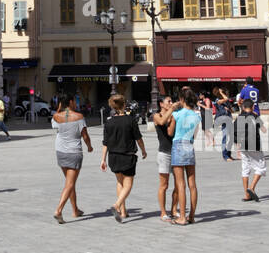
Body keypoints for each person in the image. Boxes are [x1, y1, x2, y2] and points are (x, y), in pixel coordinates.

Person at [100, 93, 145, 222]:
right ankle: (117, 205)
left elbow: (105, 143)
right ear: (124, 105)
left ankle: (123, 211)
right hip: (127, 156)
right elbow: (138, 138)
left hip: (113, 156)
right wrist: (143, 150)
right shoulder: (130, 120)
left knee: (120, 182)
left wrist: (103, 159)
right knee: (128, 184)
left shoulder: (109, 122)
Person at [52, 96, 92, 222]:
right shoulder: (79, 117)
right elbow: (85, 135)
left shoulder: (56, 117)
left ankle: (75, 210)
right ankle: (58, 210)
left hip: (60, 151)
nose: (76, 103)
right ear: (70, 102)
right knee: (69, 183)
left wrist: (58, 109)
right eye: (75, 101)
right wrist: (89, 146)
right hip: (74, 152)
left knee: (70, 183)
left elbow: (55, 125)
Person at [171, 87, 202, 225]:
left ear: (182, 99)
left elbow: (170, 132)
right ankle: (192, 216)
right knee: (192, 184)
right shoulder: (196, 116)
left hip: (178, 145)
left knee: (180, 184)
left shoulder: (178, 114)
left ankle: (182, 217)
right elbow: (195, 134)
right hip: (189, 144)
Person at [150, 94, 177, 221]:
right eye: (168, 101)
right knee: (164, 185)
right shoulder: (157, 116)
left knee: (179, 184)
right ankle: (163, 212)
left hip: (176, 152)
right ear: (161, 104)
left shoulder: (174, 115)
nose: (171, 103)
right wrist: (172, 110)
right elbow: (161, 122)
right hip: (164, 153)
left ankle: (174, 209)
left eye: (171, 101)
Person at [234, 96, 266, 201]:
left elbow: (234, 133)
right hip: (254, 145)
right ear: (252, 107)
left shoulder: (239, 118)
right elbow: (264, 129)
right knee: (261, 167)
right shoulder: (254, 116)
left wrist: (237, 147)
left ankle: (246, 195)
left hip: (243, 146)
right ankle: (251, 188)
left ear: (243, 107)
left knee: (245, 169)